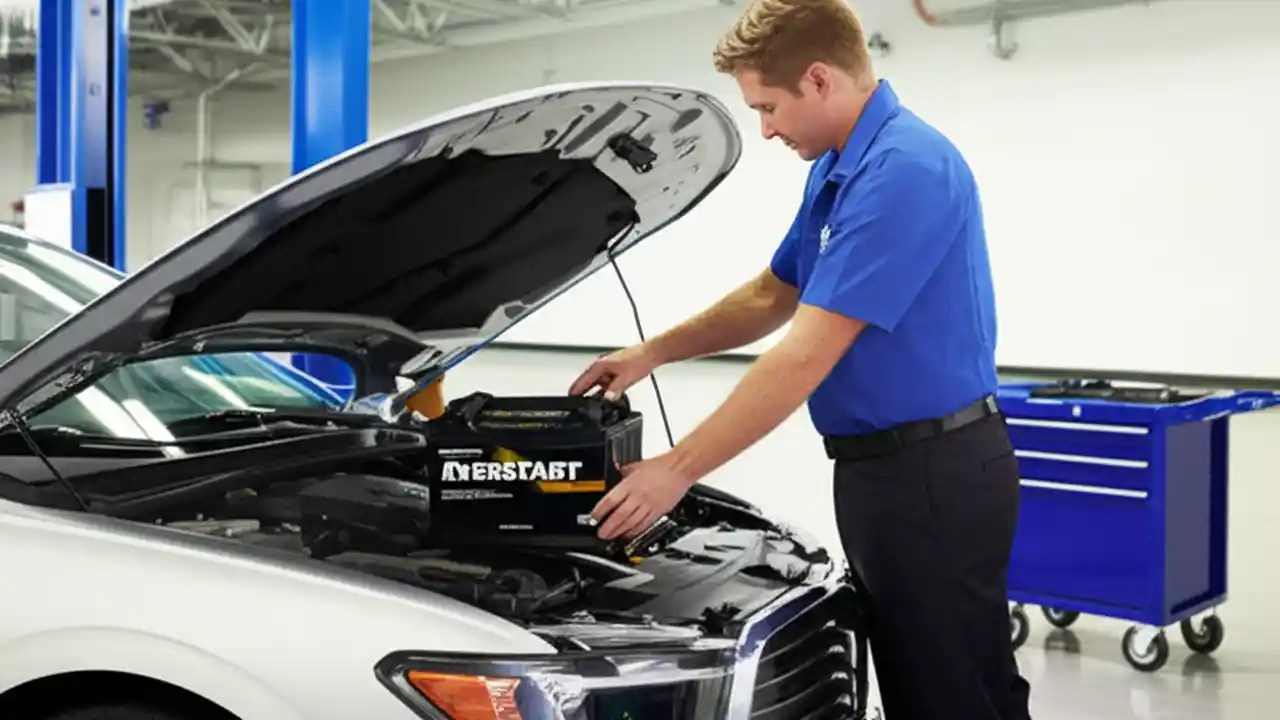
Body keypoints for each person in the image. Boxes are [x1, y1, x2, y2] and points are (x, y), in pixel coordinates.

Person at [569, 1, 1033, 718]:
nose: (767, 129)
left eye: (768, 107)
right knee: (919, 686)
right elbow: (770, 294)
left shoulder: (904, 170)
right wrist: (650, 353)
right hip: (880, 472)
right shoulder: (841, 167)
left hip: (935, 478)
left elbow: (802, 356)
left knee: (957, 695)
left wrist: (677, 470)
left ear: (818, 79)